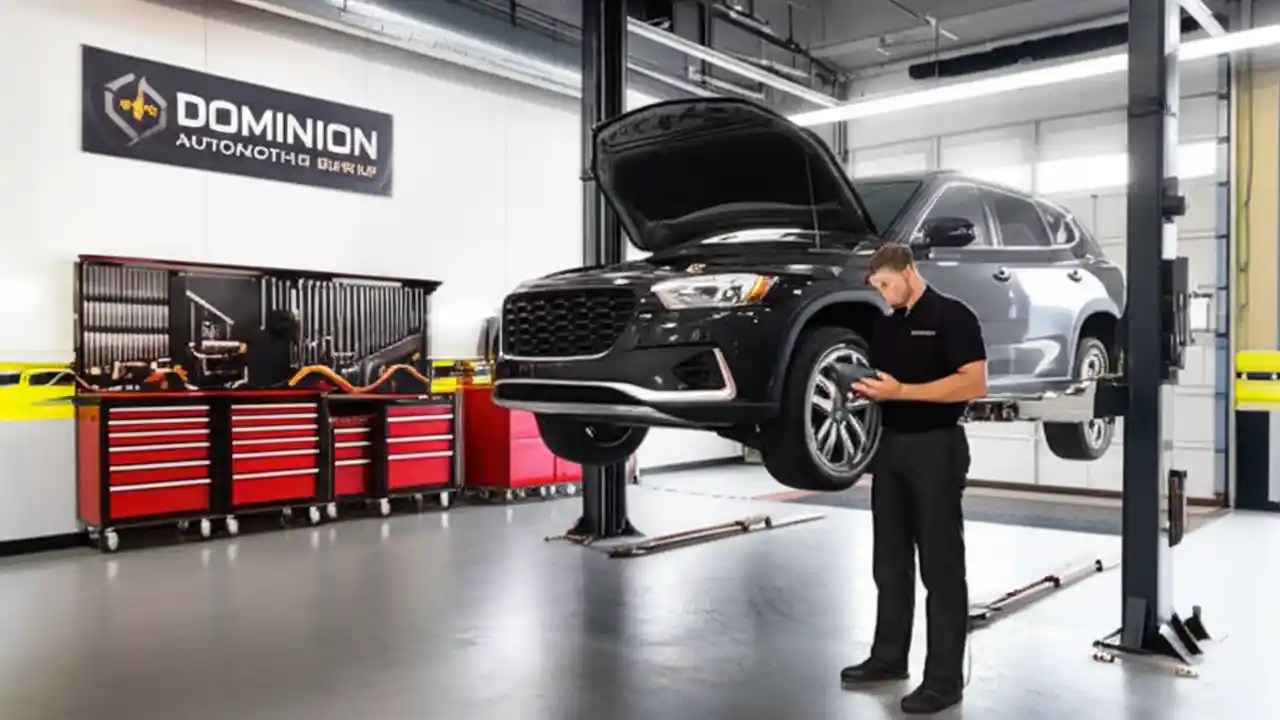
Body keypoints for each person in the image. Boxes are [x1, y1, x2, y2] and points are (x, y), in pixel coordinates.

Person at [840, 243, 988, 715]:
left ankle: (944, 682)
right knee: (890, 562)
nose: (882, 294)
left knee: (941, 567)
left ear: (908, 271)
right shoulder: (886, 325)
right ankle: (888, 657)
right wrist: (865, 386)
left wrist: (904, 391)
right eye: (876, 287)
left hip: (937, 447)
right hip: (892, 447)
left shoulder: (953, 316)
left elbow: (973, 382)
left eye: (886, 284)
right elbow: (886, 382)